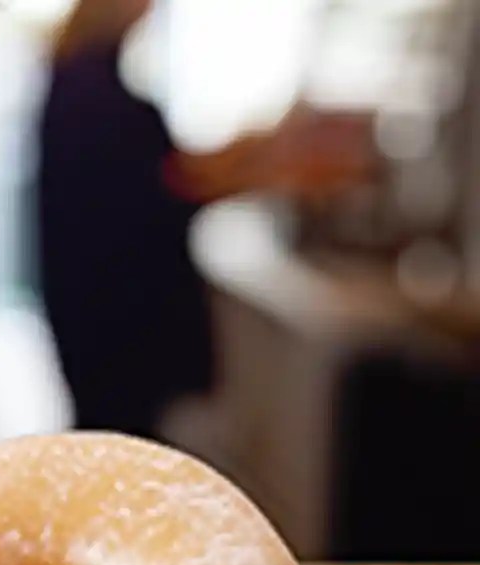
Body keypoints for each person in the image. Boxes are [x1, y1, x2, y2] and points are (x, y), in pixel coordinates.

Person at [35, 0, 367, 439]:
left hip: (91, 314)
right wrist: (272, 166)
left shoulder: (80, 80)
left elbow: (167, 172)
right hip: (120, 323)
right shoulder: (97, 92)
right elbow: (172, 188)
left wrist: (257, 152)